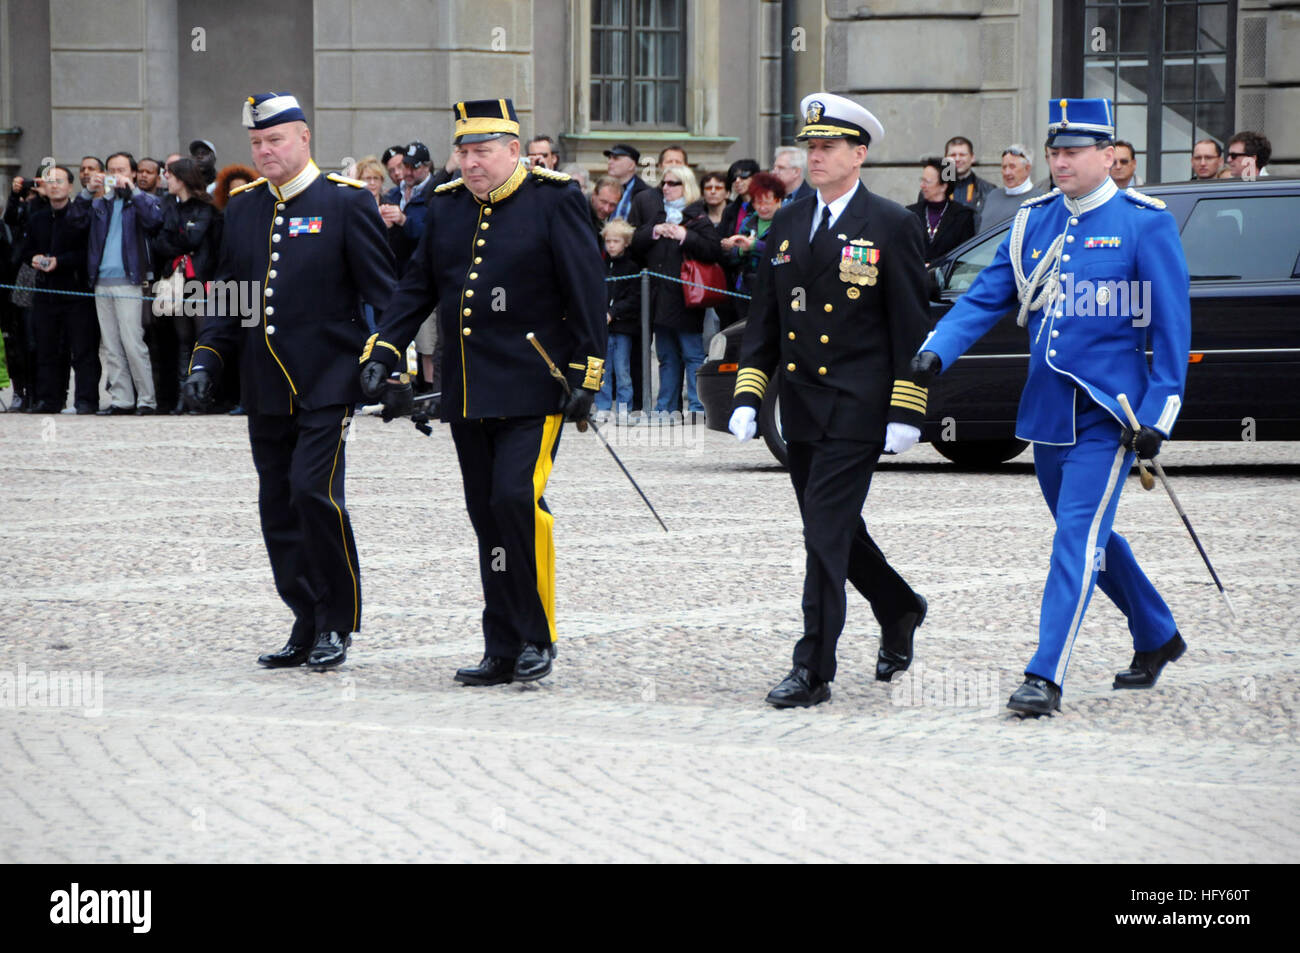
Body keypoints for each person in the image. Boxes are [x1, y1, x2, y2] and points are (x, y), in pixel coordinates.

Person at [911, 97, 1191, 716]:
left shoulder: (1144, 222)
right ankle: (1157, 632)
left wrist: (1157, 418)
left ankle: (1045, 675)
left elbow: (1172, 333)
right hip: (1048, 412)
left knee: (1074, 538)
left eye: (1073, 152)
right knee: (1092, 536)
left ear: (1107, 156)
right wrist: (938, 350)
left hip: (1110, 414)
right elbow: (988, 296)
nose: (1060, 162)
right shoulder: (1034, 221)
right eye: (1054, 152)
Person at [359, 97, 606, 686]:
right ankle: (501, 644)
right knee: (485, 516)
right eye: (464, 152)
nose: (471, 164)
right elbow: (417, 287)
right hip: (468, 391)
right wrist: (385, 349)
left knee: (516, 501)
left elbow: (587, 291)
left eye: (483, 152)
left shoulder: (554, 199)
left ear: (514, 150)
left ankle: (536, 634)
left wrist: (586, 375)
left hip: (535, 387)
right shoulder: (445, 207)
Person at [181, 91, 397, 670]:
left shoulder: (345, 203)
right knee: (277, 504)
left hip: (328, 378)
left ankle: (337, 620)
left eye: (274, 140)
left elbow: (384, 292)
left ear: (304, 138)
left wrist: (387, 357)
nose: (265, 151)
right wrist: (207, 360)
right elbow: (230, 297)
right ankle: (304, 615)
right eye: (256, 142)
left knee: (313, 492)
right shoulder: (246, 207)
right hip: (264, 383)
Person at [729, 92, 931, 709]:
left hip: (859, 405)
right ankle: (899, 605)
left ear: (859, 154)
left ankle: (813, 666)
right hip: (805, 406)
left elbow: (910, 327)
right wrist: (749, 390)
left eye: (828, 147)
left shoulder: (891, 224)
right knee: (834, 528)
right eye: (810, 147)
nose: (814, 157)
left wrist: (908, 409)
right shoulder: (788, 221)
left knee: (822, 533)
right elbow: (765, 316)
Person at [67, 150, 163, 414]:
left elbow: (155, 220)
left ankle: (146, 399)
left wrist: (133, 192)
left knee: (133, 342)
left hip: (130, 280)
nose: (116, 175)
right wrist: (88, 192)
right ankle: (122, 399)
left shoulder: (143, 201)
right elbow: (75, 221)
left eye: (121, 170)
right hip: (101, 281)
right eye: (111, 170)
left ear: (132, 173)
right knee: (110, 344)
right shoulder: (100, 204)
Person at [629, 163, 722, 416]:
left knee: (692, 354)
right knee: (666, 356)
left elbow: (713, 250)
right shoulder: (657, 215)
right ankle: (666, 407)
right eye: (664, 183)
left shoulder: (697, 217)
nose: (666, 188)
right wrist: (654, 231)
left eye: (672, 183)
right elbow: (634, 245)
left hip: (686, 298)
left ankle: (696, 406)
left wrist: (684, 235)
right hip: (659, 297)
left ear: (686, 187)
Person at [20, 166, 99, 414]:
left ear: (70, 186)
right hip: (46, 292)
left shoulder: (80, 215)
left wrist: (60, 261)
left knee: (83, 348)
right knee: (47, 347)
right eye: (50, 181)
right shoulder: (37, 218)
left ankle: (86, 399)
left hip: (76, 291)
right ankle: (49, 399)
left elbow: (88, 251)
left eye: (60, 181)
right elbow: (24, 249)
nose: (54, 186)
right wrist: (34, 258)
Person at [150, 157, 222, 413]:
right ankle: (183, 395)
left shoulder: (206, 208)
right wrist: (178, 237)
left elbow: (194, 239)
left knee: (204, 338)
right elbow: (159, 242)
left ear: (181, 178)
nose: (165, 179)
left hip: (200, 281)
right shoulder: (169, 205)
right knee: (182, 340)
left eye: (169, 175)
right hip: (176, 280)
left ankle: (204, 394)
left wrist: (175, 236)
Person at [719, 170, 784, 323]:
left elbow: (784, 253)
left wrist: (754, 245)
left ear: (778, 201)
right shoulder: (748, 222)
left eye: (768, 202)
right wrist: (738, 249)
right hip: (746, 288)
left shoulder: (786, 222)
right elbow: (732, 258)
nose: (763, 207)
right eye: (758, 202)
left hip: (774, 288)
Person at [594, 218, 641, 422]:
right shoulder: (600, 265)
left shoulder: (631, 268)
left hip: (622, 326)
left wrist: (613, 312)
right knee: (602, 369)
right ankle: (603, 406)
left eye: (616, 241)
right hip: (602, 327)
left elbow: (633, 298)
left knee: (622, 370)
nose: (611, 245)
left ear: (626, 243)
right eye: (608, 241)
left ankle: (624, 408)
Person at [907, 156, 976, 266]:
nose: (922, 185)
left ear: (943, 186)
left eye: (927, 182)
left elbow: (966, 258)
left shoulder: (962, 216)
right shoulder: (910, 213)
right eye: (922, 180)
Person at [979, 143, 1047, 229]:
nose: (1007, 172)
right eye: (1004, 167)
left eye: (1012, 167)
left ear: (1027, 168)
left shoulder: (1039, 200)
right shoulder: (993, 195)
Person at [944, 136, 995, 216]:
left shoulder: (988, 190)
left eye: (962, 155)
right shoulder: (931, 190)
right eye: (953, 155)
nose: (957, 159)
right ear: (945, 158)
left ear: (972, 158)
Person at [605, 143, 650, 222]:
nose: (610, 162)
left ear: (631, 165)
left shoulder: (646, 193)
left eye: (616, 158)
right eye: (609, 158)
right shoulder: (603, 187)